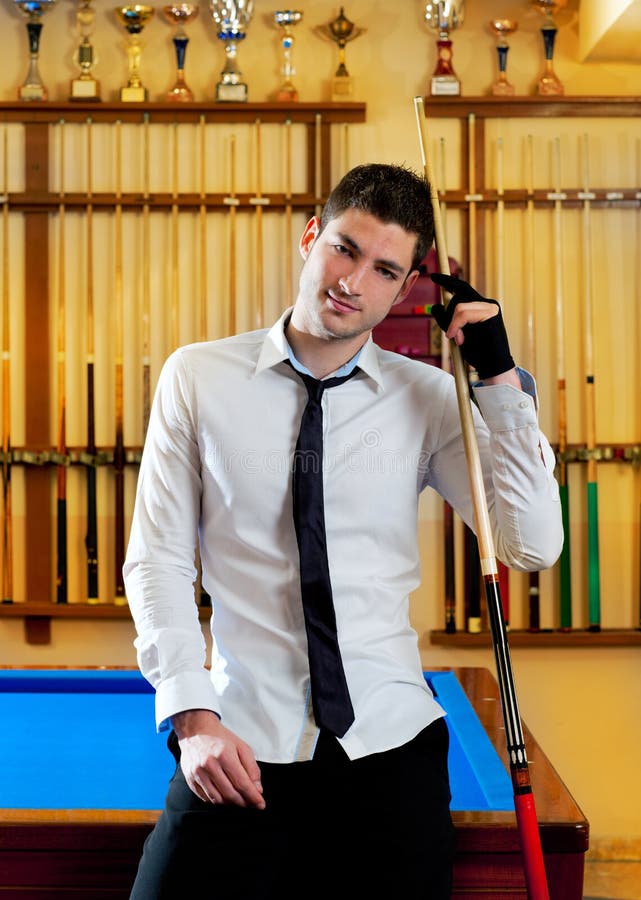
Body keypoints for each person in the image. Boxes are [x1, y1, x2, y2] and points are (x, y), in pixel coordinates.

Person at [124, 163, 563, 899]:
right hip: (242, 746)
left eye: (384, 269)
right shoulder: (196, 377)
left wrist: (500, 386)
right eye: (345, 249)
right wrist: (191, 716)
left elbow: (529, 545)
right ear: (310, 237)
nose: (353, 281)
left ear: (406, 287)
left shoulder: (430, 398)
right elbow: (158, 559)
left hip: (390, 753)